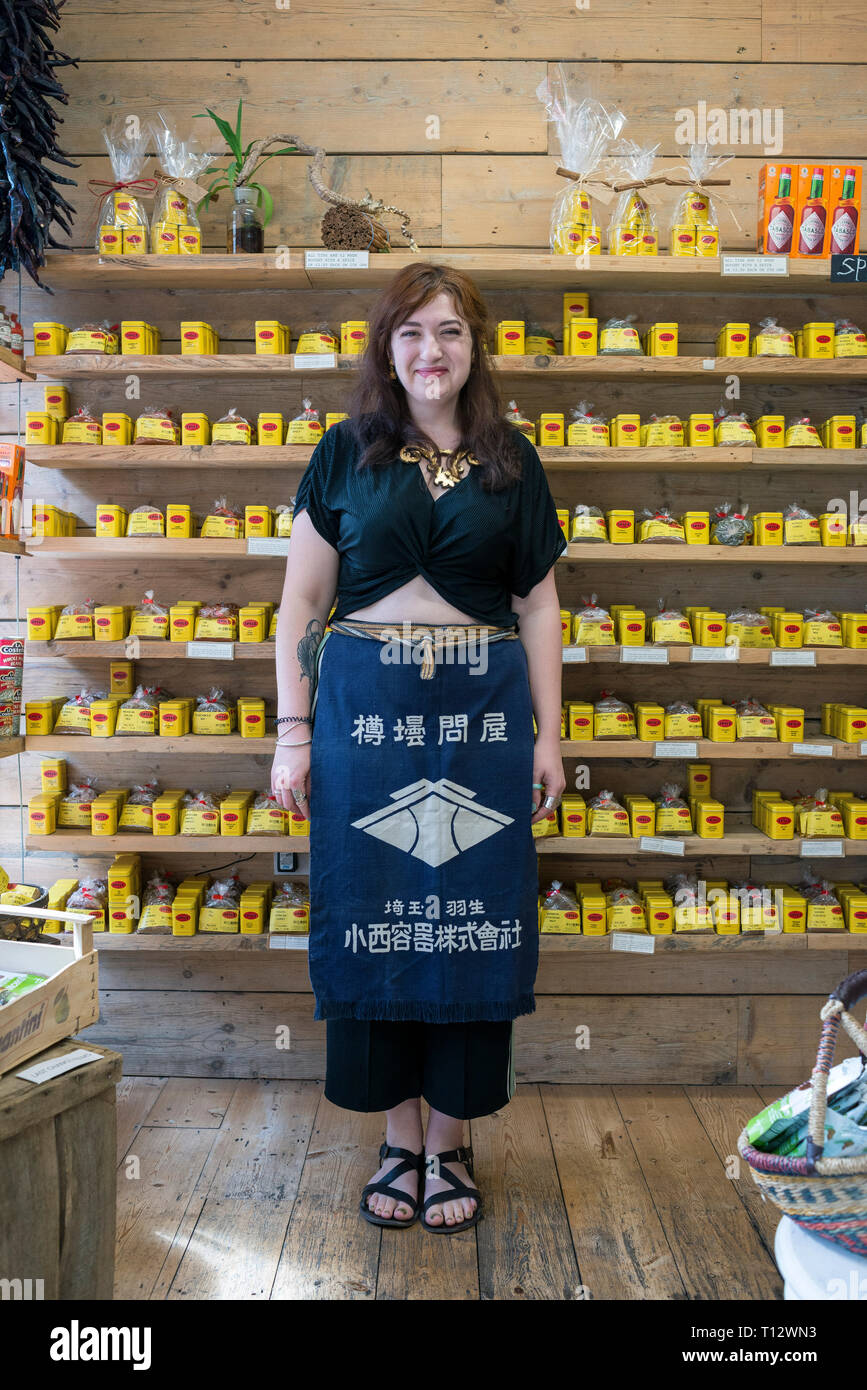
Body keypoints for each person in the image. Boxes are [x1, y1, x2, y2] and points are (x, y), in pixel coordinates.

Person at [272, 262, 567, 1234]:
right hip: (365, 719)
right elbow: (301, 605)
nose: (429, 352)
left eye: (447, 332)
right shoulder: (342, 453)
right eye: (410, 333)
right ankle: (399, 1138)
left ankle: (450, 1143)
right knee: (377, 915)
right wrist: (292, 730)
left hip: (481, 721)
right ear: (386, 349)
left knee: (468, 922)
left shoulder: (511, 461)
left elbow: (538, 606)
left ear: (473, 347)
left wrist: (548, 734)